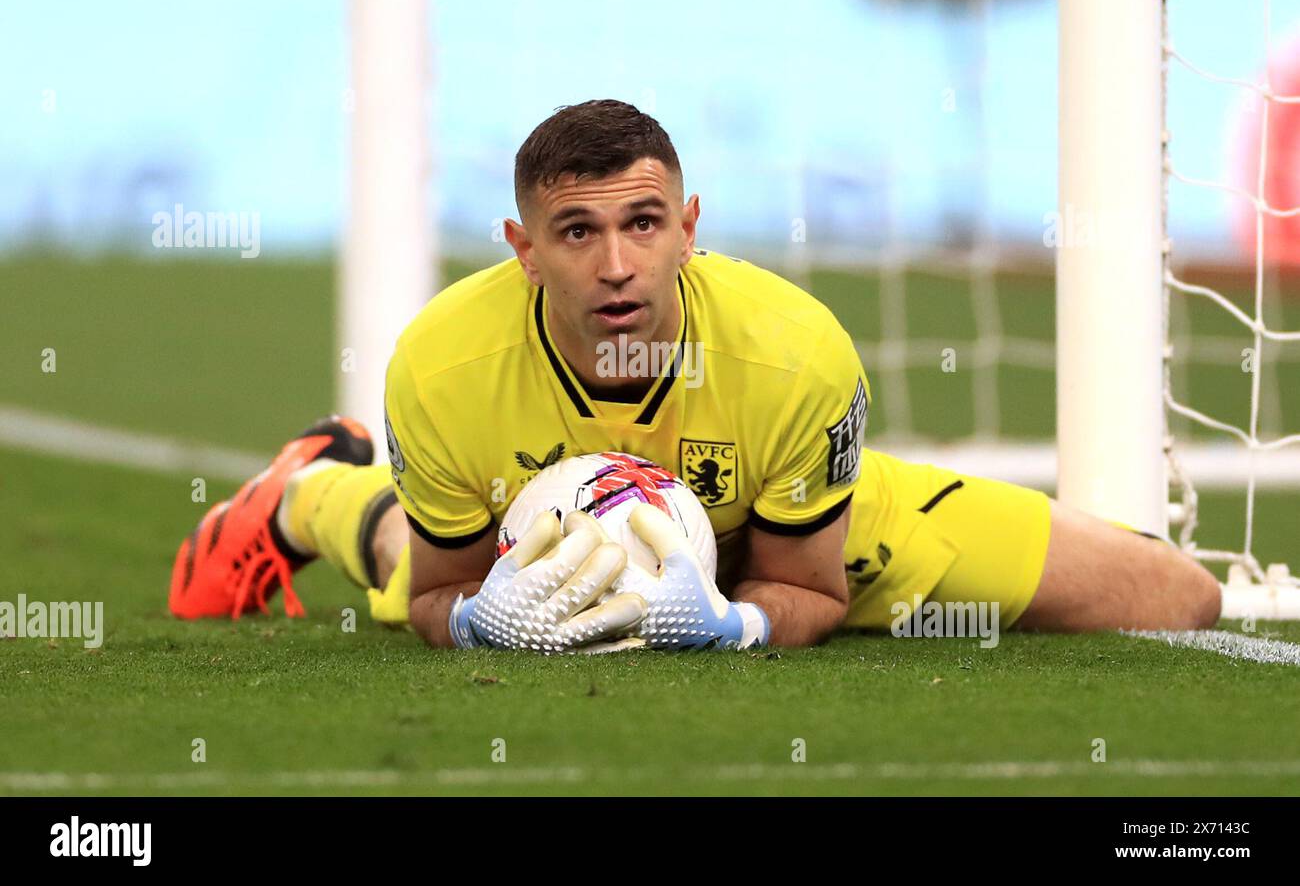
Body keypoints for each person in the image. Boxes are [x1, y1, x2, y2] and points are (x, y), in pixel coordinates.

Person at [169, 99, 1221, 649]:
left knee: (1176, 599)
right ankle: (312, 493)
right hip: (532, 545)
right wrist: (487, 615)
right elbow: (446, 588)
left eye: (642, 223)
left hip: (790, 535)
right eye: (575, 231)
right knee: (412, 564)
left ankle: (314, 484)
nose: (615, 263)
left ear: (689, 229)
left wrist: (734, 622)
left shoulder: (794, 353)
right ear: (522, 249)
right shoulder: (443, 365)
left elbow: (805, 581)